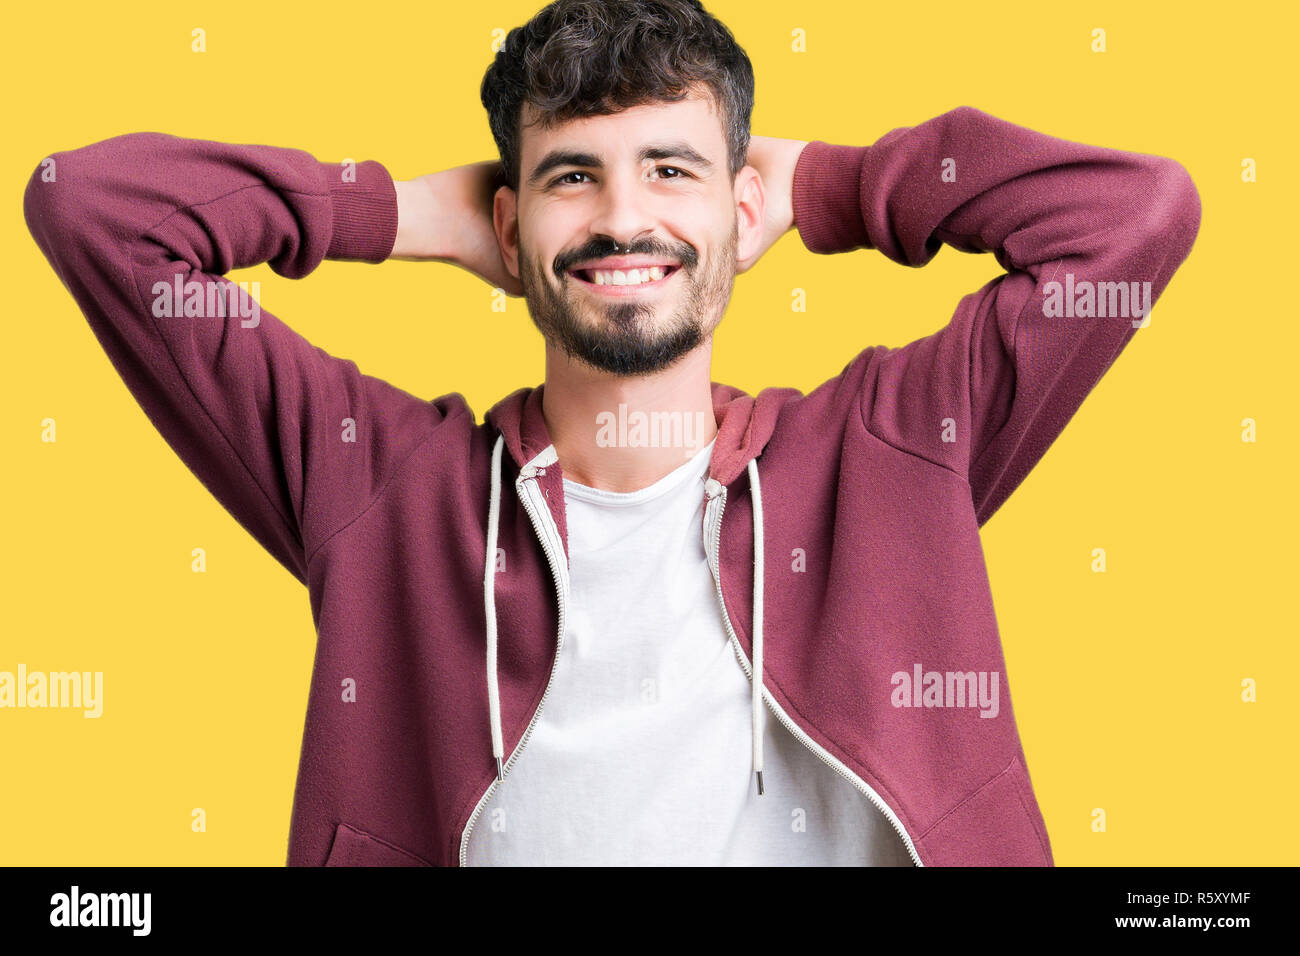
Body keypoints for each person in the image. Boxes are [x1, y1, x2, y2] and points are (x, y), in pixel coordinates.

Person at [23, 0, 1200, 866]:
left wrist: (838, 185)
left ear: (745, 212)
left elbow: (1137, 216)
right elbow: (88, 205)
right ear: (505, 221)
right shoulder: (378, 485)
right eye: (572, 177)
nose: (624, 217)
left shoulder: (889, 452)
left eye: (672, 170)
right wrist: (384, 213)